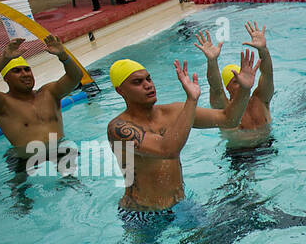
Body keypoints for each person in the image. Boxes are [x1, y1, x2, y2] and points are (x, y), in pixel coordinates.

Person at [107, 51, 257, 220]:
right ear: (120, 90)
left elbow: (228, 120)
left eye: (149, 79)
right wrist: (191, 100)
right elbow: (167, 150)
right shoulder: (118, 128)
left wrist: (245, 90)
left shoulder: (174, 111)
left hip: (181, 205)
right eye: (137, 82)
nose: (148, 85)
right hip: (142, 214)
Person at [0, 35, 84, 156]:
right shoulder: (3, 103)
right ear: (6, 78)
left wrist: (63, 56)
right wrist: (4, 58)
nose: (25, 74)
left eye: (27, 69)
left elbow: (76, 77)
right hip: (25, 160)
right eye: (17, 71)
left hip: (59, 150)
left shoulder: (49, 93)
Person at [195, 22, 274, 146]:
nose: (242, 84)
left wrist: (263, 50)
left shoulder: (260, 99)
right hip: (240, 156)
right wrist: (212, 61)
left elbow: (268, 75)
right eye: (236, 82)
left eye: (243, 78)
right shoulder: (225, 109)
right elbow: (216, 89)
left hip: (269, 146)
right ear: (228, 88)